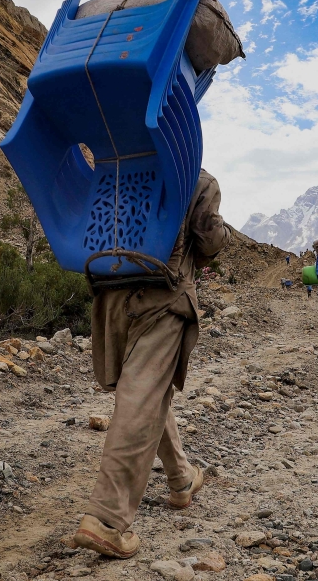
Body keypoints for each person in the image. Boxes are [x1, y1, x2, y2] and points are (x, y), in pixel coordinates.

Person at [73, 169, 231, 559]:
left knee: (144, 390)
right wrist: (222, 232)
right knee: (141, 397)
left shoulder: (116, 169)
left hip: (110, 297)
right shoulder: (197, 177)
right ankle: (107, 519)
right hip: (161, 298)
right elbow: (209, 242)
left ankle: (181, 478)